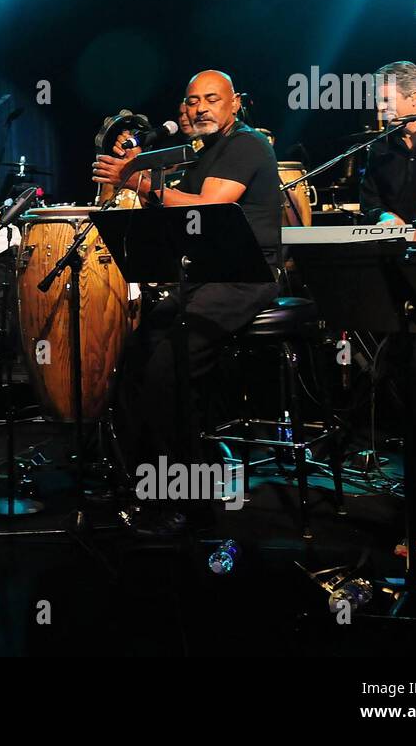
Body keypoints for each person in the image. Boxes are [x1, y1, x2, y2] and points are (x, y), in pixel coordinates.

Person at [93, 70, 283, 533]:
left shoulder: (249, 144)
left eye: (211, 99)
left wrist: (139, 182)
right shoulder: (200, 152)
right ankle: (140, 487)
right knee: (135, 358)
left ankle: (187, 501)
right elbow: (135, 205)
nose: (199, 108)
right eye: (192, 100)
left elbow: (210, 210)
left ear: (234, 102)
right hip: (201, 276)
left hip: (246, 276)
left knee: (167, 367)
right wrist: (131, 171)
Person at [360, 61, 416, 225]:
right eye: (379, 101)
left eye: (386, 99)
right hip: (394, 243)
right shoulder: (379, 145)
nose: (380, 107)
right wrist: (385, 216)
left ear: (414, 97)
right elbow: (369, 203)